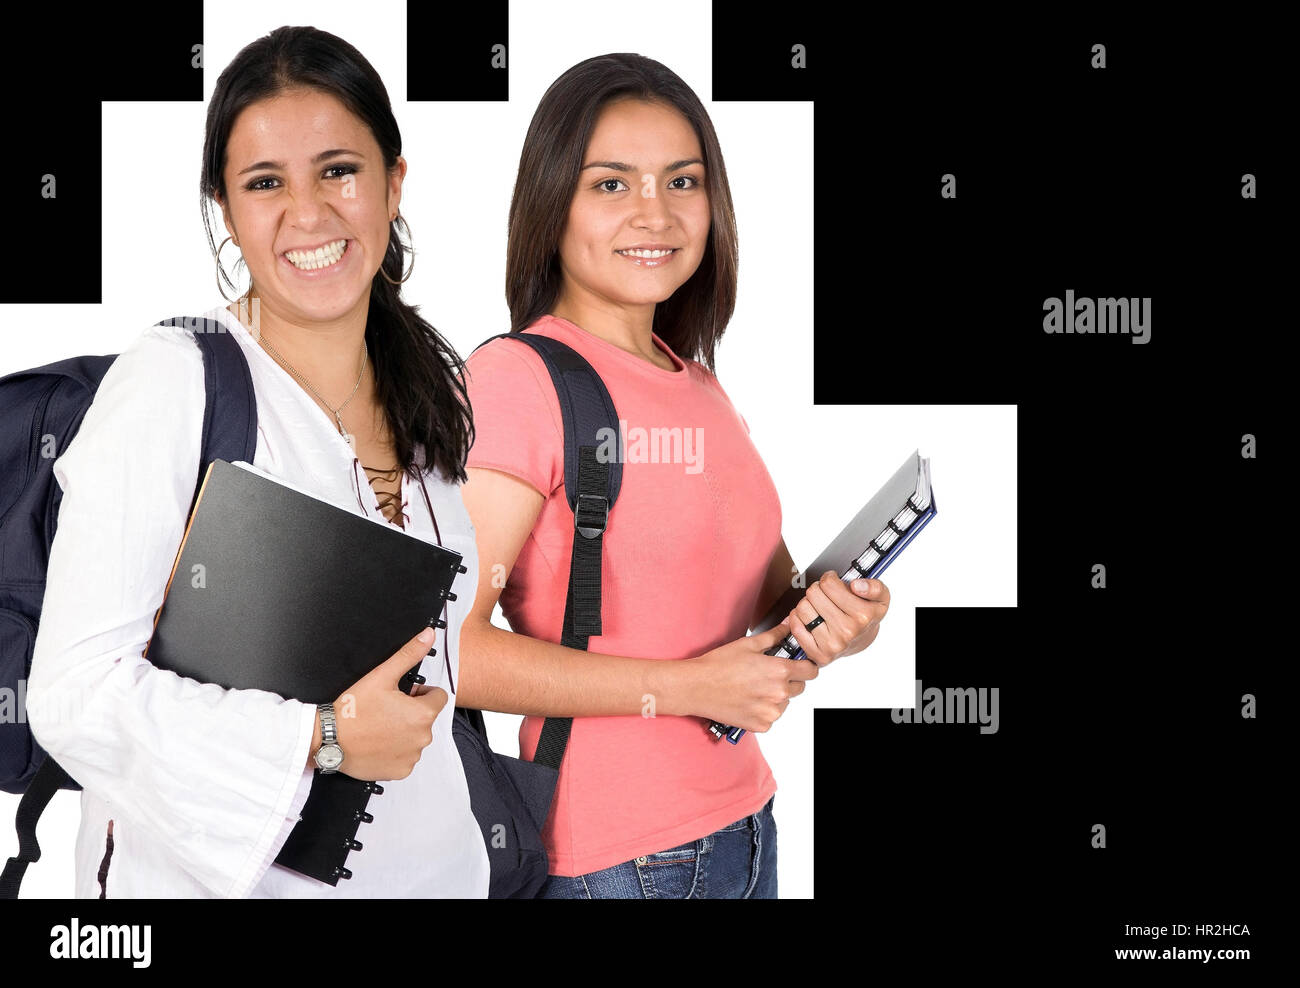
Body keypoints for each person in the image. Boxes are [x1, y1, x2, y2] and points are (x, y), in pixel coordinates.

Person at [26, 25, 488, 898]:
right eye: (265, 183)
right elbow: (73, 693)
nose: (308, 214)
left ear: (394, 183)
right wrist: (324, 736)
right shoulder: (176, 379)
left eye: (339, 170)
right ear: (226, 210)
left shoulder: (426, 392)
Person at [457, 53, 891, 899]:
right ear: (554, 204)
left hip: (747, 824)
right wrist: (690, 688)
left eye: (681, 181)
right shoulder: (521, 379)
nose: (653, 213)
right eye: (612, 185)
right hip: (621, 860)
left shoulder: (697, 382)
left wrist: (837, 622)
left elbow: (757, 612)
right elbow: (453, 649)